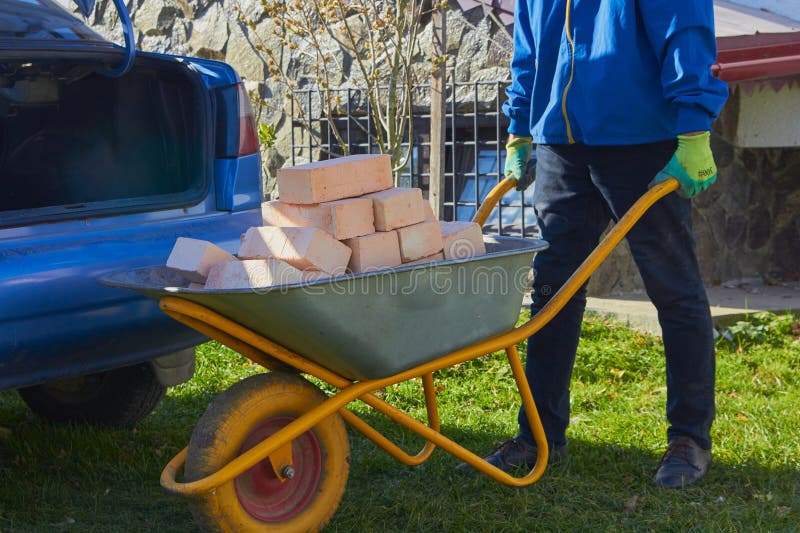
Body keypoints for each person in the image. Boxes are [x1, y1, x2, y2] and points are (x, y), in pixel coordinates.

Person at [472, 0, 728, 488]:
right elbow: (527, 48)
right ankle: (539, 435)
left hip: (642, 141)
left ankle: (689, 439)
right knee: (553, 293)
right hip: (558, 144)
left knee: (674, 290)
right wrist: (520, 127)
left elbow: (683, 26)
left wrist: (694, 127)